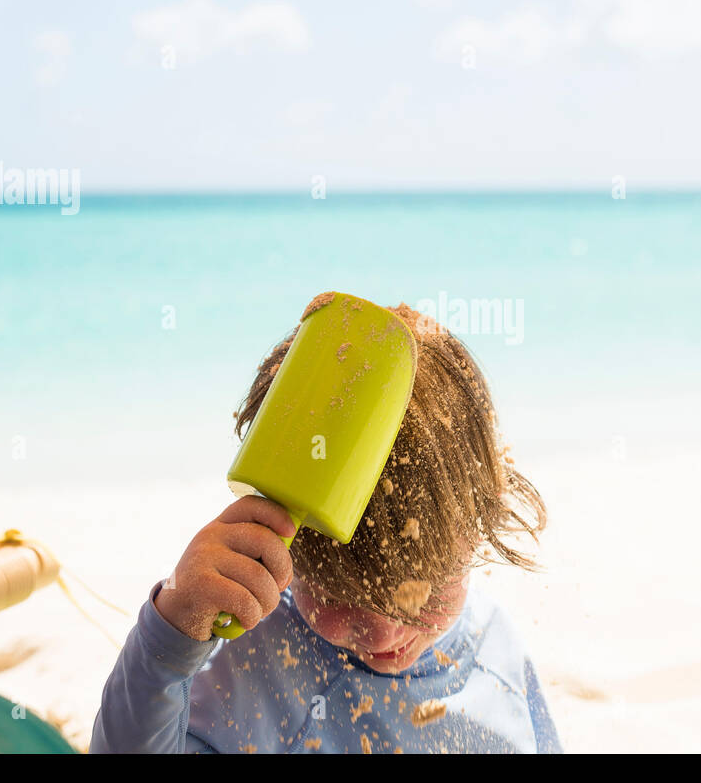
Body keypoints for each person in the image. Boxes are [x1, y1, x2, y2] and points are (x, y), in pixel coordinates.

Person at [91, 302, 560, 753]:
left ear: (480, 523)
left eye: (422, 593)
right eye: (337, 597)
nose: (382, 636)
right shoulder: (253, 672)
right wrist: (168, 649)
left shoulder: (497, 650)